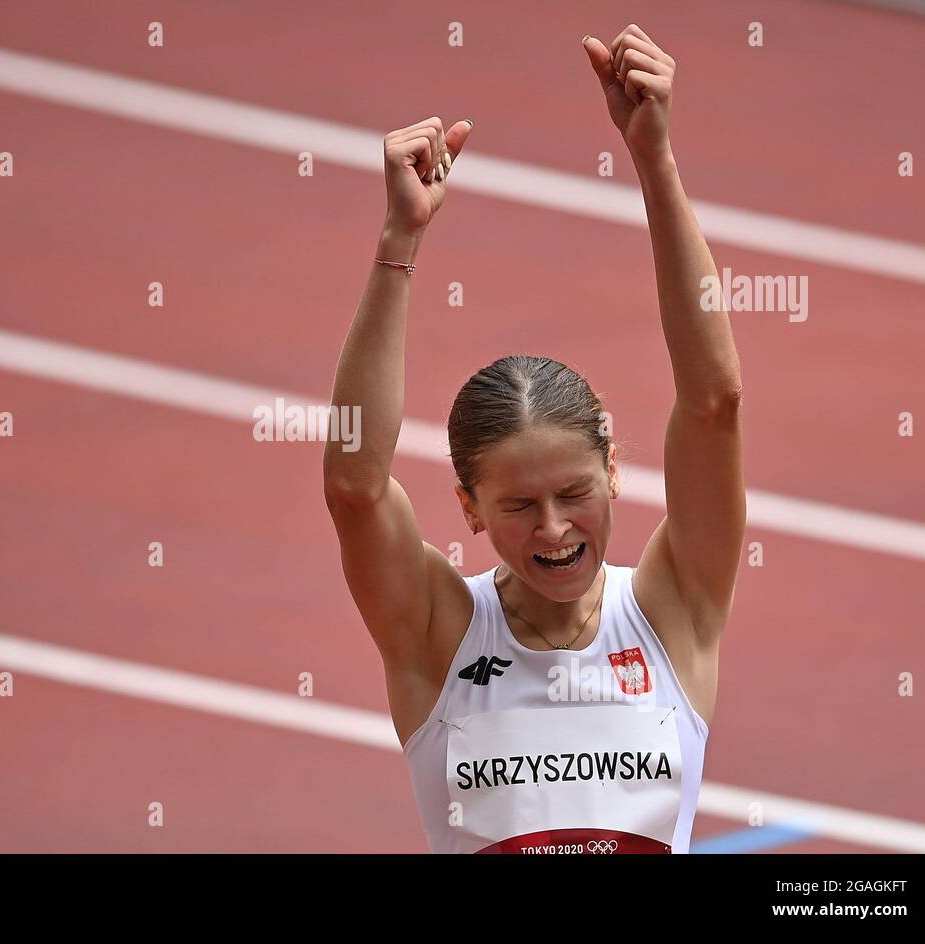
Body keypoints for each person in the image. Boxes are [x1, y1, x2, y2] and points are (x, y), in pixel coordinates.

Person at [322, 24, 744, 854]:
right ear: (469, 511)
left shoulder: (671, 613)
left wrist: (654, 161)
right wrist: (397, 244)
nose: (553, 529)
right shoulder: (440, 636)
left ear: (615, 473)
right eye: (517, 505)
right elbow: (354, 486)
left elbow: (714, 401)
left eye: (573, 494)